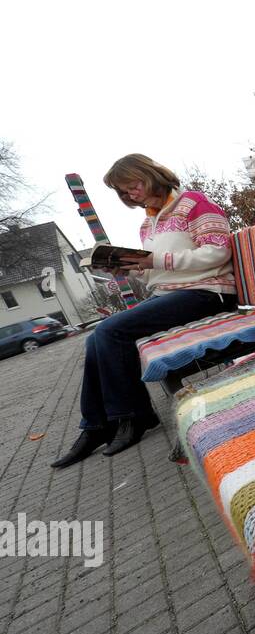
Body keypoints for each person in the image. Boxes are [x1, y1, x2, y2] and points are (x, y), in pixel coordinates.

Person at [51, 155, 237, 467]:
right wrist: (129, 269)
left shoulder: (193, 203)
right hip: (170, 293)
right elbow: (156, 273)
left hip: (208, 291)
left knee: (112, 331)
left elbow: (218, 251)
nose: (130, 194)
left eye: (132, 185)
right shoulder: (147, 224)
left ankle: (133, 417)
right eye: (122, 192)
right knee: (96, 338)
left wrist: (156, 261)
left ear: (150, 174)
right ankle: (95, 426)